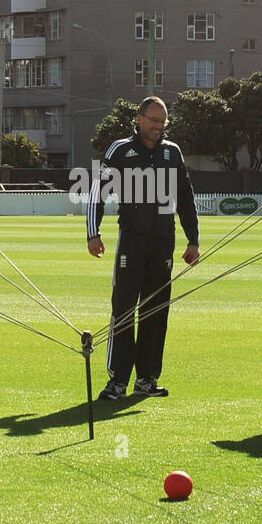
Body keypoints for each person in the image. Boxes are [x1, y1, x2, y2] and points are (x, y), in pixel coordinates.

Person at [87, 96, 199, 399]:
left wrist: (194, 240)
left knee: (156, 312)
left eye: (162, 122)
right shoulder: (121, 150)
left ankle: (147, 379)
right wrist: (92, 232)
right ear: (138, 118)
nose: (158, 127)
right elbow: (99, 192)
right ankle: (118, 380)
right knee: (124, 310)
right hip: (132, 241)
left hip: (164, 242)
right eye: (153, 120)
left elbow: (185, 199)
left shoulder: (171, 152)